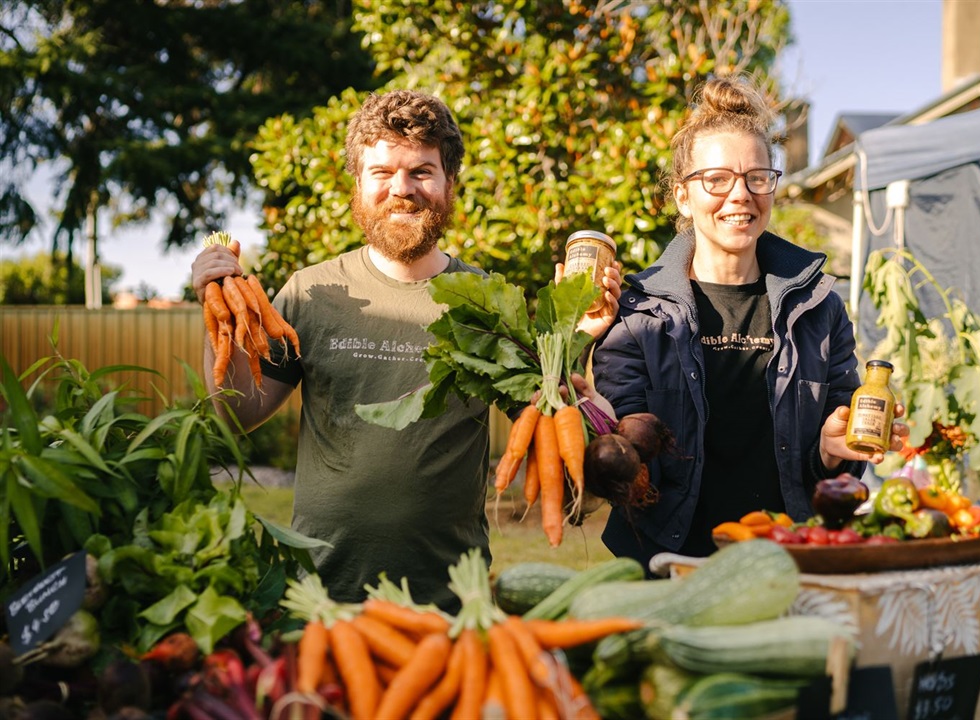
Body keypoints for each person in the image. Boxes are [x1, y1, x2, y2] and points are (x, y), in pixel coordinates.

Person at [191, 90, 621, 609]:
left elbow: (554, 421)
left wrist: (577, 338)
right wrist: (216, 310)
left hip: (450, 600)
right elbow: (238, 414)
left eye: (422, 171)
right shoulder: (310, 293)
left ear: (448, 184)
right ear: (357, 183)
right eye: (382, 172)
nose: (402, 189)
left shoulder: (488, 303)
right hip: (324, 594)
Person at [590, 75, 908, 569]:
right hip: (663, 563)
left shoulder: (818, 307)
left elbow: (835, 461)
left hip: (785, 562)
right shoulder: (638, 313)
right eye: (716, 180)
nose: (740, 195)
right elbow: (626, 464)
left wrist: (834, 450)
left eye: (757, 177)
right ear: (682, 196)